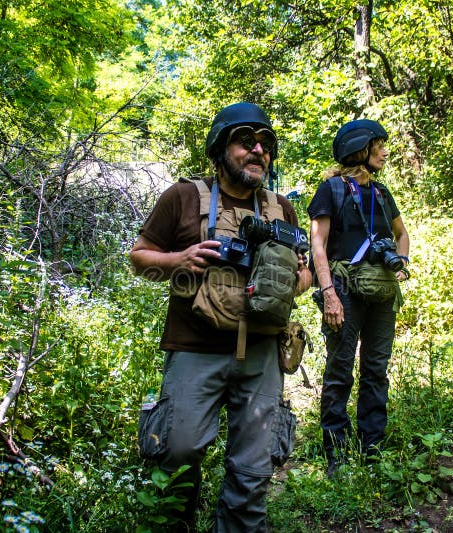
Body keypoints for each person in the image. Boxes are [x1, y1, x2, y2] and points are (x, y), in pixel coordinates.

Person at [129, 102, 312, 531]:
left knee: (254, 469)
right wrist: (179, 259)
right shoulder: (183, 196)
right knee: (176, 455)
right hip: (195, 349)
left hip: (263, 354)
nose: (258, 150)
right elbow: (139, 259)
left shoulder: (281, 208)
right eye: (246, 141)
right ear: (220, 147)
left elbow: (303, 272)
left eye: (266, 144)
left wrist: (292, 283)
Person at [307, 119, 410, 475]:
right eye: (378, 145)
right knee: (340, 370)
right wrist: (329, 293)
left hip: (381, 291)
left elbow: (402, 234)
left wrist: (402, 262)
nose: (384, 151)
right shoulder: (331, 189)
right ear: (360, 150)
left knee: (376, 370)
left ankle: (372, 449)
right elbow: (317, 245)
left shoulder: (382, 193)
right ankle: (335, 453)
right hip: (344, 289)